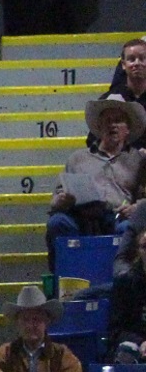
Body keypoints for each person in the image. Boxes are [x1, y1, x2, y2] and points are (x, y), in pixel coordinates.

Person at [49, 98, 146, 258]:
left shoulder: (138, 160)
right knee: (57, 223)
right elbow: (55, 201)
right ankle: (63, 278)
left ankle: (123, 276)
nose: (112, 125)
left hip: (119, 218)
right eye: (107, 121)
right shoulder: (77, 158)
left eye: (118, 121)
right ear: (99, 127)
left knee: (129, 228)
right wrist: (61, 201)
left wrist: (136, 208)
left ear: (127, 129)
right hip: (81, 218)